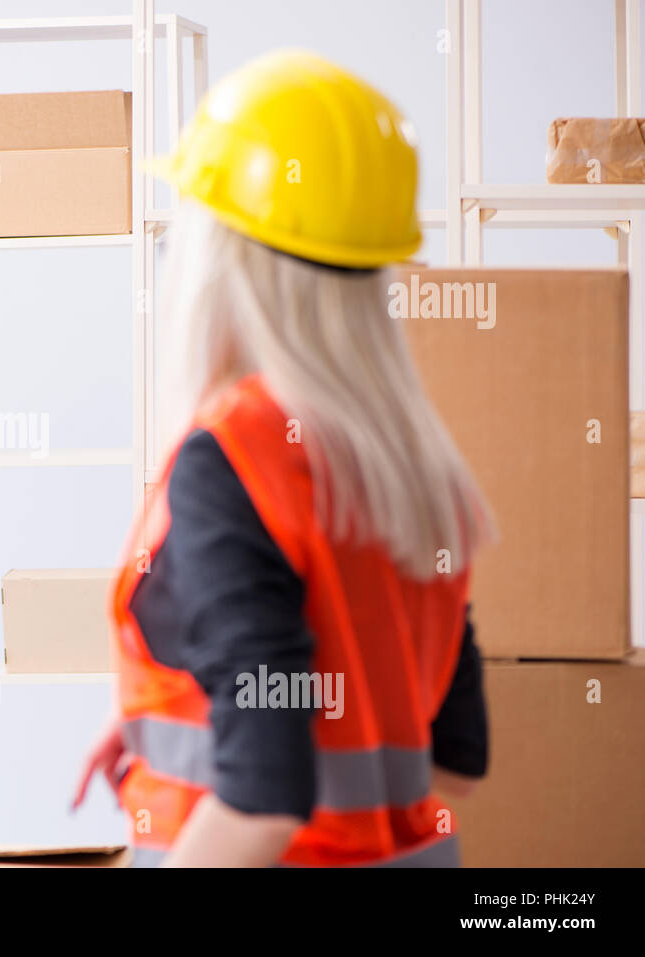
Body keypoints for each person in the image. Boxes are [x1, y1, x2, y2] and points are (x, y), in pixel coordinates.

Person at [72, 50, 497, 867]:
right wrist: (172, 721)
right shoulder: (409, 462)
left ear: (220, 255)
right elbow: (455, 756)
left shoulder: (235, 455)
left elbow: (266, 796)